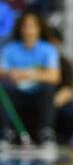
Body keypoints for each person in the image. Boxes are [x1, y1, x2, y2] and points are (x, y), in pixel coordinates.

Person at [0, 11, 61, 146]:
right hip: (17, 92)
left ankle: (46, 132)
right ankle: (6, 132)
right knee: (3, 89)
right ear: (20, 28)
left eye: (32, 26)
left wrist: (29, 74)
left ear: (39, 28)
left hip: (38, 93)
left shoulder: (48, 49)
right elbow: (2, 70)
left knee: (49, 89)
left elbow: (54, 76)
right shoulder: (10, 49)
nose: (29, 30)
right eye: (25, 26)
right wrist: (10, 73)